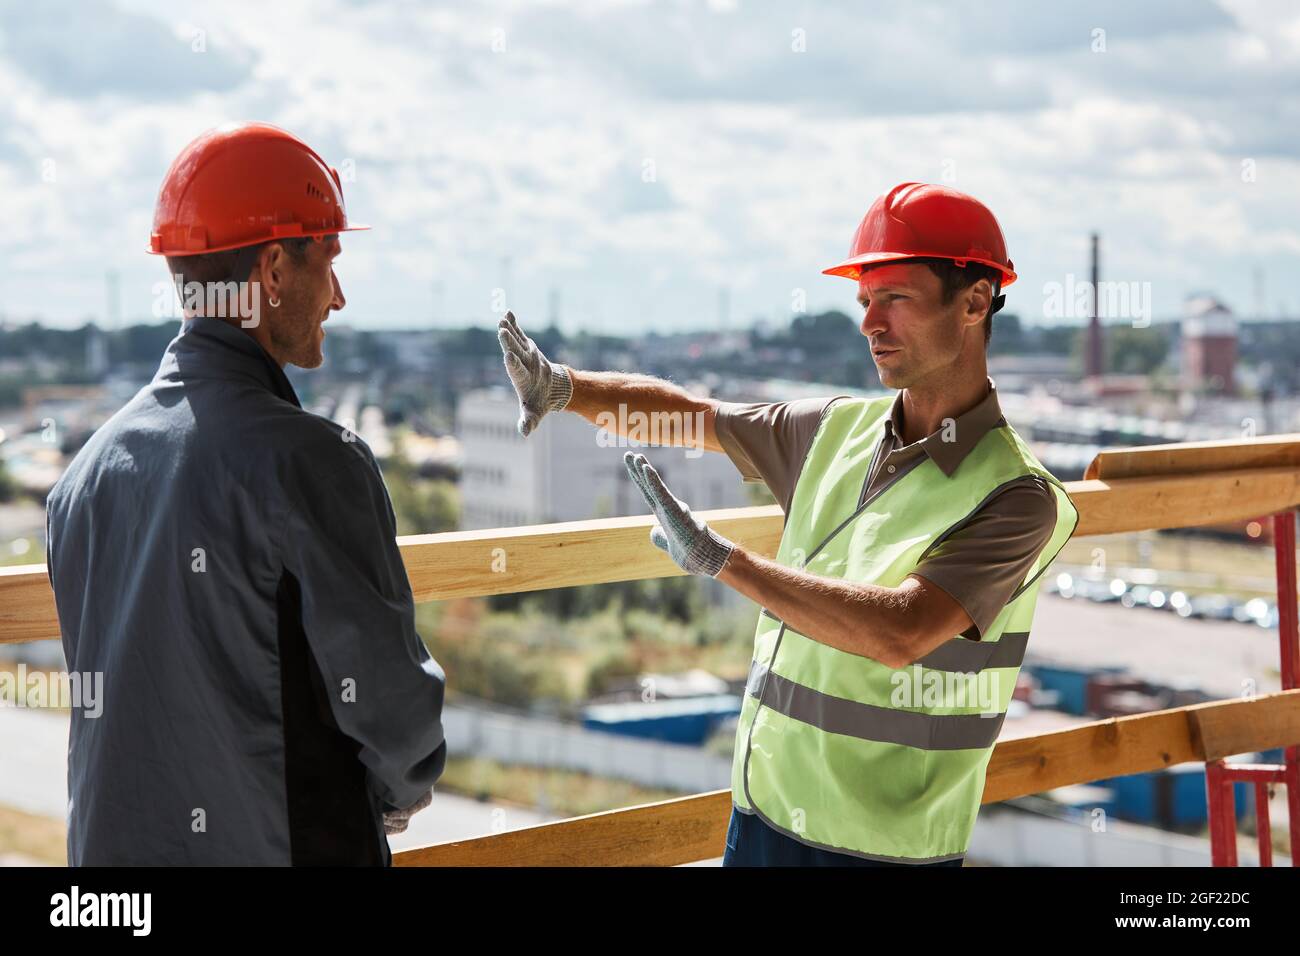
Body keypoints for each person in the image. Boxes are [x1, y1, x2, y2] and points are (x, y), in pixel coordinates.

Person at [496, 182, 1079, 866]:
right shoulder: (832, 430)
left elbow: (900, 631)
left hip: (882, 850)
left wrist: (723, 561)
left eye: (895, 299)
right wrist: (565, 390)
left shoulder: (1019, 495)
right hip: (764, 814)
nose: (870, 324)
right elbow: (690, 417)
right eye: (865, 301)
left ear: (975, 300)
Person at [45, 123, 447, 865]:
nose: (339, 295)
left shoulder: (82, 480)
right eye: (327, 259)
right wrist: (401, 789)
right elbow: (394, 713)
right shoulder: (312, 465)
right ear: (271, 270)